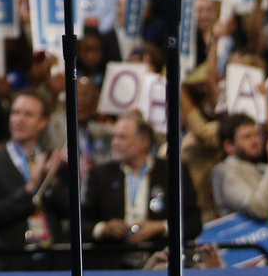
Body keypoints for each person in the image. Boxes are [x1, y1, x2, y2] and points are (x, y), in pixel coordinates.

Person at [83, 113, 201, 269]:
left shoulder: (172, 172)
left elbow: (194, 223)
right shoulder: (100, 175)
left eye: (122, 138)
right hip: (112, 262)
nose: (114, 144)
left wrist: (160, 227)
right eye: (114, 137)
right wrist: (103, 229)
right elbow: (80, 223)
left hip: (162, 262)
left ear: (144, 142)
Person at [0, 92, 69, 270]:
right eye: (16, 113)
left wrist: (52, 181)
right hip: (7, 260)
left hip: (51, 261)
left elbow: (71, 210)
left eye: (28, 114)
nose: (19, 120)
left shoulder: (55, 162)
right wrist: (31, 187)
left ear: (43, 122)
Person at [211, 113, 268, 222]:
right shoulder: (224, 171)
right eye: (247, 137)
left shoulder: (264, 169)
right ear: (229, 146)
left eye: (257, 135)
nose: (255, 141)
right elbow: (259, 208)